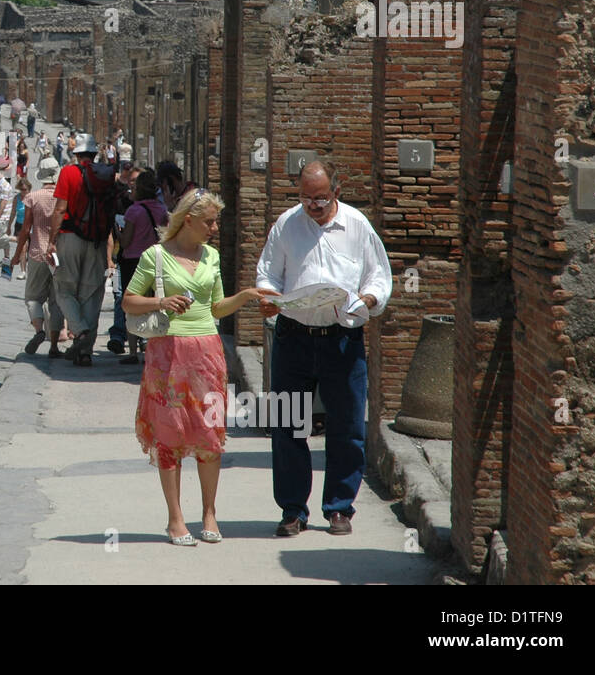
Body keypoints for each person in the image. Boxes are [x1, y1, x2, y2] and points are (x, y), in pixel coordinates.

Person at [123, 187, 276, 545]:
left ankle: (209, 511)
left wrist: (246, 297)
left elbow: (216, 308)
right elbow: (129, 301)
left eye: (216, 221)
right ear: (187, 220)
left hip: (207, 352)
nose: (215, 228)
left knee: (210, 435)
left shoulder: (211, 256)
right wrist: (160, 300)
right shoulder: (155, 256)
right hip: (167, 353)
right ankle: (175, 519)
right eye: (209, 222)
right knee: (170, 436)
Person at [256, 160, 391, 537]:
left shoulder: (357, 226)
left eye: (320, 198)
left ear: (337, 190)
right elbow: (268, 272)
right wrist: (268, 295)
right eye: (305, 198)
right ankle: (293, 510)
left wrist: (368, 297)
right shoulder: (287, 224)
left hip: (341, 340)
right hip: (294, 337)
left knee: (347, 425)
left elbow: (378, 275)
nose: (312, 206)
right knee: (288, 424)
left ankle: (338, 507)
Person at [49, 133, 116, 365]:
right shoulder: (106, 176)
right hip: (97, 240)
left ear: (76, 154)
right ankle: (85, 352)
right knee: (91, 294)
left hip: (69, 237)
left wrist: (51, 239)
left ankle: (79, 331)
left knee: (63, 289)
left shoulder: (68, 172)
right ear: (94, 154)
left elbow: (60, 209)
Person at [12, 158, 65, 356]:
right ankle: (54, 346)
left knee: (33, 297)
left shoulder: (32, 197)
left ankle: (38, 331)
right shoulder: (64, 197)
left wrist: (17, 255)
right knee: (56, 300)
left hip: (37, 252)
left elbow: (26, 229)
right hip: (59, 254)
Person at [113, 170, 167, 363]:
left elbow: (126, 242)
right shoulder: (161, 210)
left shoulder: (133, 211)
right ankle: (151, 349)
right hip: (156, 260)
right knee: (154, 304)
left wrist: (118, 233)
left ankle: (133, 352)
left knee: (132, 305)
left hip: (132, 261)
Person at [0, 167, 16, 263]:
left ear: (3, 174)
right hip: (1, 215)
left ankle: (19, 239)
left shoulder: (4, 185)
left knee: (0, 237)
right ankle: (6, 258)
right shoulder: (0, 184)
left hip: (3, 216)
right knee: (2, 238)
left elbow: (4, 202)